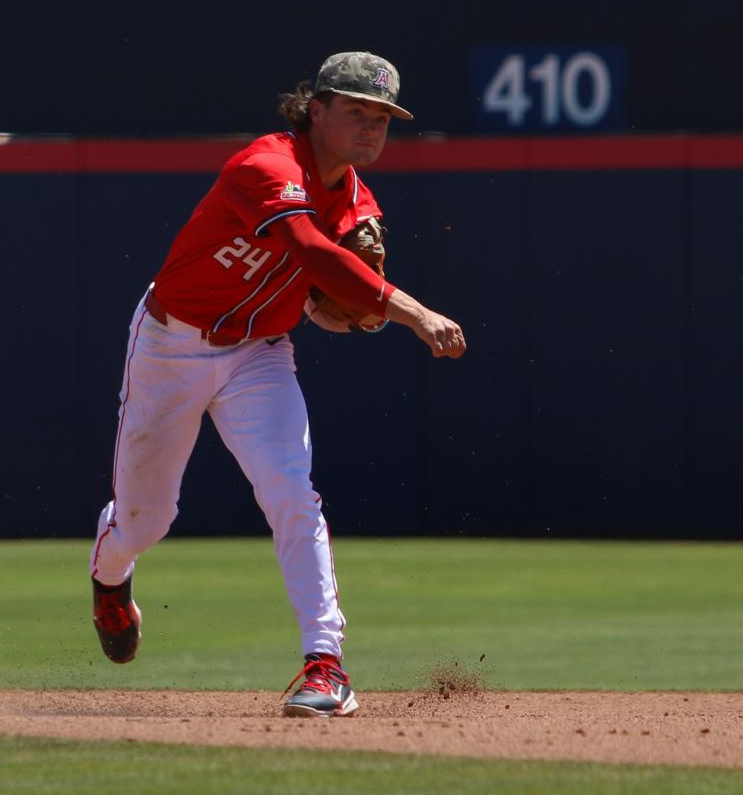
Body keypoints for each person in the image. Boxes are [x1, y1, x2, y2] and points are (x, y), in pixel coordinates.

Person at [89, 51, 466, 718]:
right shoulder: (264, 165)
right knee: (147, 519)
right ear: (313, 108)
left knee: (291, 489)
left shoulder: (358, 201)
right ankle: (110, 576)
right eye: (355, 111)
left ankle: (326, 663)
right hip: (171, 342)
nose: (370, 127)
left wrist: (347, 312)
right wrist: (411, 312)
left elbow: (337, 289)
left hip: (258, 353)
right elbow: (310, 249)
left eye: (381, 117)